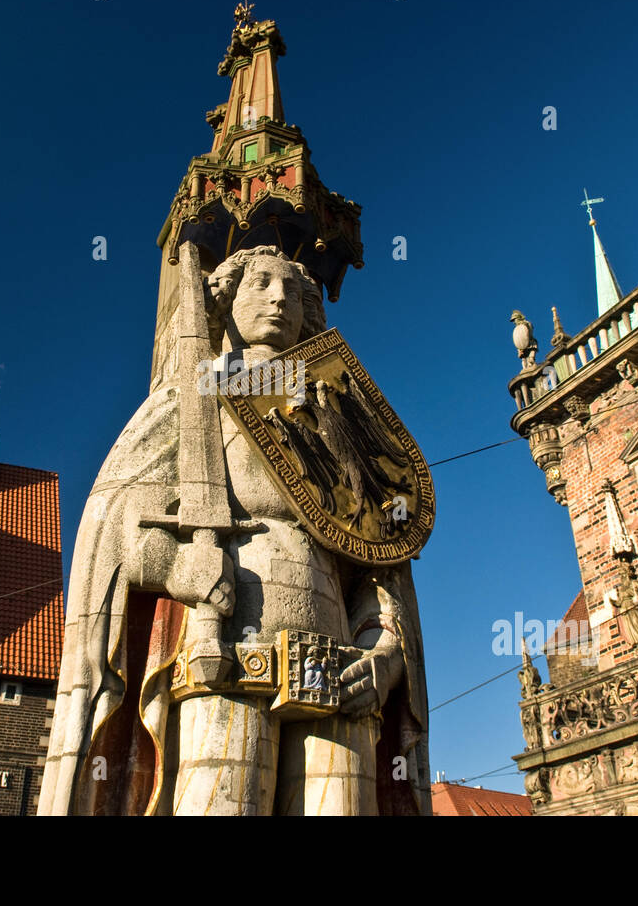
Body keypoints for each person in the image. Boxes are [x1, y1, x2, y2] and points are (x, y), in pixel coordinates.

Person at [38, 245, 429, 816]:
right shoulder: (195, 399)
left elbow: (376, 555)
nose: (279, 298)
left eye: (293, 291)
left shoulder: (336, 409)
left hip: (341, 664)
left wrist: (385, 652)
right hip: (226, 650)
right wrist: (173, 566)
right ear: (227, 297)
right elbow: (115, 523)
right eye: (262, 283)